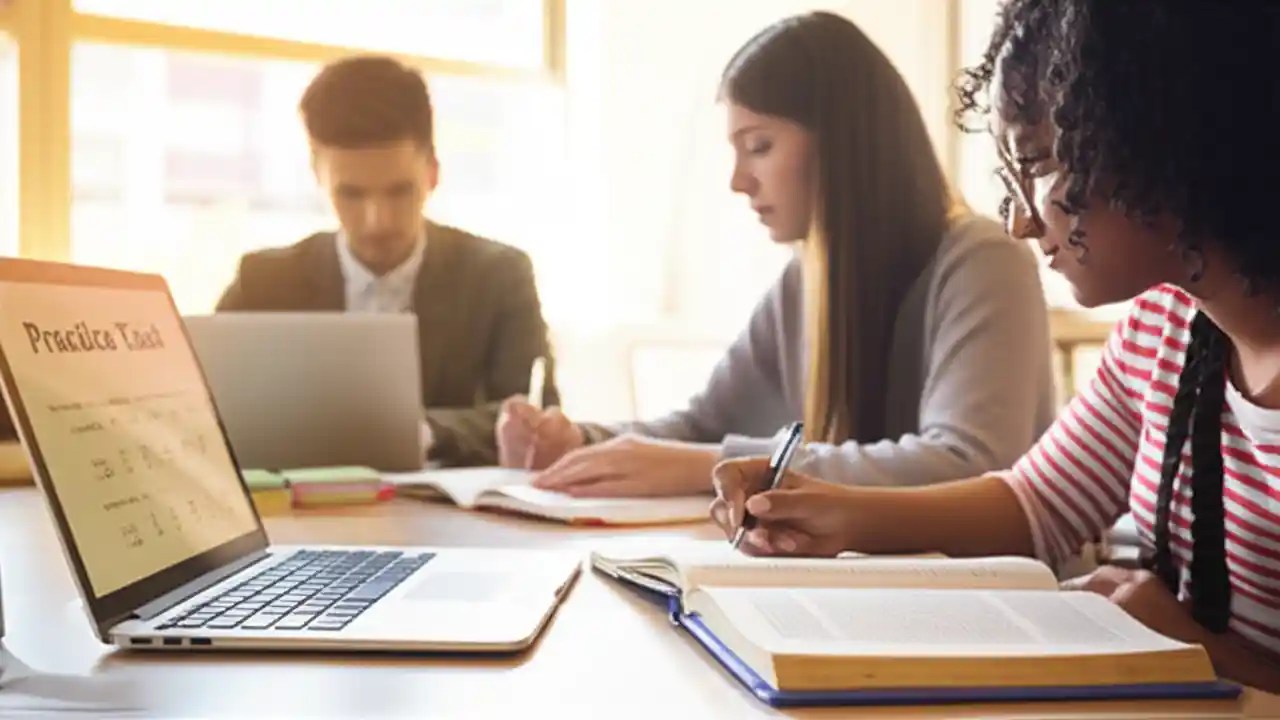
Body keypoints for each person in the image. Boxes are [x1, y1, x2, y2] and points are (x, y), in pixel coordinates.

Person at [711, 0, 1280, 691]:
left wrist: (1199, 648)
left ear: (1153, 141)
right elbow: (1037, 504)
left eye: (1036, 163)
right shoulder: (1162, 326)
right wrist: (836, 512)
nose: (1019, 222)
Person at [496, 12, 1054, 497]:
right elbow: (702, 427)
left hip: (985, 585)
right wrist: (580, 441)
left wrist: (716, 468)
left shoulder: (983, 261)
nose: (738, 181)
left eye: (759, 146)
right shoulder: (804, 282)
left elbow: (968, 462)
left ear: (843, 142)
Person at [217, 55, 557, 467]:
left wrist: (424, 433)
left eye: (399, 192)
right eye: (351, 194)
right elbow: (199, 405)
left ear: (433, 173)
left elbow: (534, 415)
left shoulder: (498, 275)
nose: (377, 222)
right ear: (317, 176)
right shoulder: (263, 281)